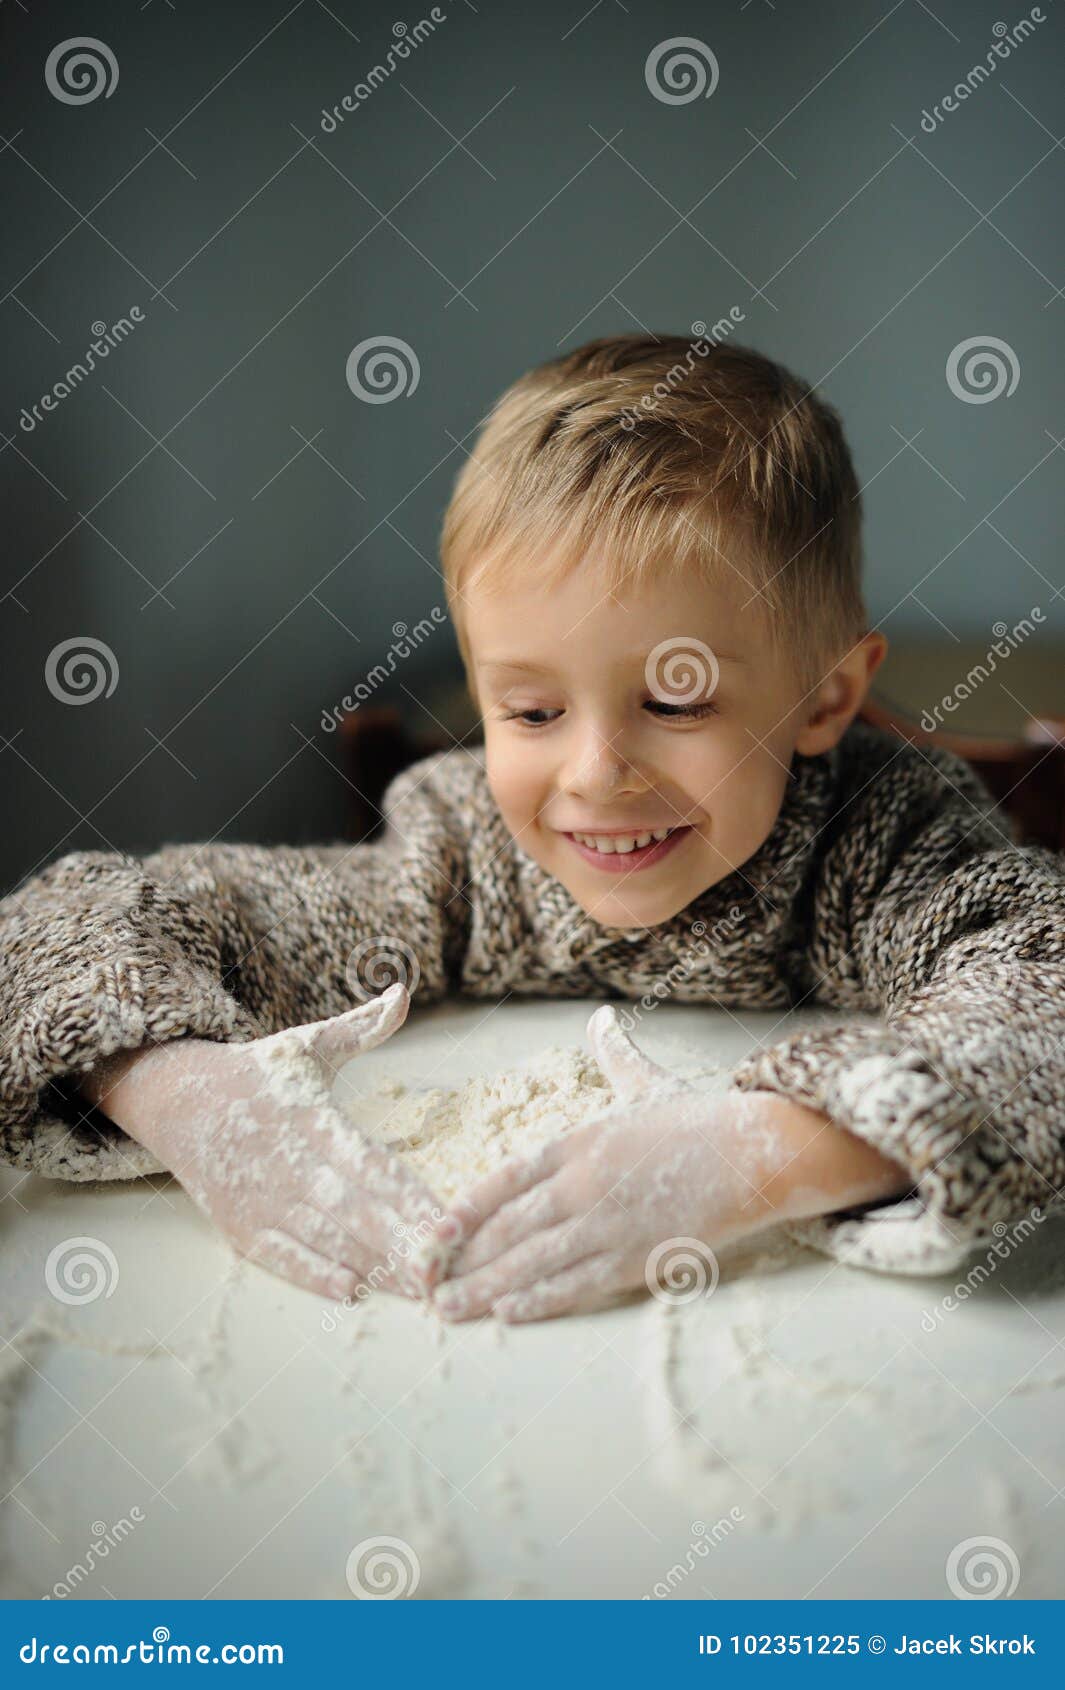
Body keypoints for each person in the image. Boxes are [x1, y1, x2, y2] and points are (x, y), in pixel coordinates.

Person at [2, 335, 1062, 1322]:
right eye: (533, 711)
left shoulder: (887, 841)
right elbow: (64, 927)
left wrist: (769, 1153)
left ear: (826, 698)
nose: (596, 774)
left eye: (677, 700)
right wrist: (187, 1100)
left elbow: (1045, 990)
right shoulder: (466, 856)